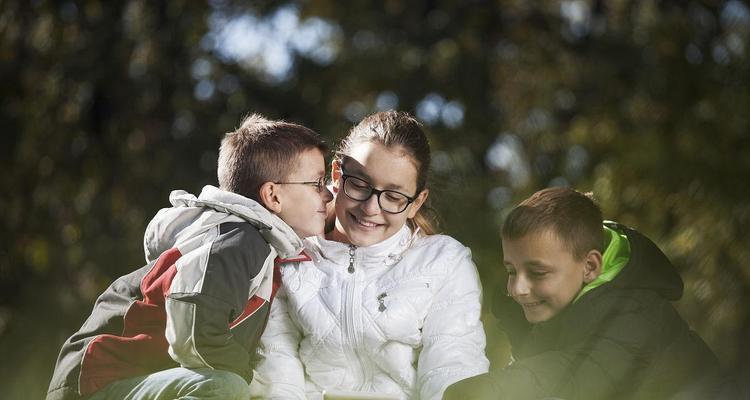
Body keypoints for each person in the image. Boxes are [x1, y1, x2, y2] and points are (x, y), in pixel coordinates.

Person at [46, 114, 333, 400]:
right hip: (100, 380)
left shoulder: (254, 244)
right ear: (273, 196)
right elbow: (195, 337)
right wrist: (254, 383)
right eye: (317, 184)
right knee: (226, 386)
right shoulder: (239, 241)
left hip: (134, 379)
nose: (328, 196)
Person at [250, 110, 489, 400]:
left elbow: (452, 368)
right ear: (337, 176)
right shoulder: (289, 256)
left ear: (416, 203)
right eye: (360, 184)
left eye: (393, 196)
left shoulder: (444, 263)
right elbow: (278, 371)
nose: (371, 208)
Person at [444, 187, 726, 400]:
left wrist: (470, 394)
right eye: (511, 271)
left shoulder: (634, 317)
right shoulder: (557, 305)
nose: (518, 289)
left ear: (590, 266)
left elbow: (568, 380)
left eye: (538, 273)